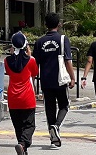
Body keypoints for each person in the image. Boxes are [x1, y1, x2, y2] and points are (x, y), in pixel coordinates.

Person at [32, 12, 75, 147]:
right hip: (60, 80)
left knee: (49, 108)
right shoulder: (62, 39)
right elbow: (68, 61)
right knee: (64, 105)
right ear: (59, 24)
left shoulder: (39, 42)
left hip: (45, 80)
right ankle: (56, 126)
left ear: (46, 25)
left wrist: (32, 83)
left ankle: (53, 139)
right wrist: (72, 77)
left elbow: (34, 65)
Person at [4, 31, 40, 155]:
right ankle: (23, 144)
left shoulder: (7, 61)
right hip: (27, 97)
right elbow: (34, 73)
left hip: (13, 98)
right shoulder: (31, 61)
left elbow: (9, 71)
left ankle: (22, 149)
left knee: (18, 126)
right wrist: (29, 55)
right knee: (30, 125)